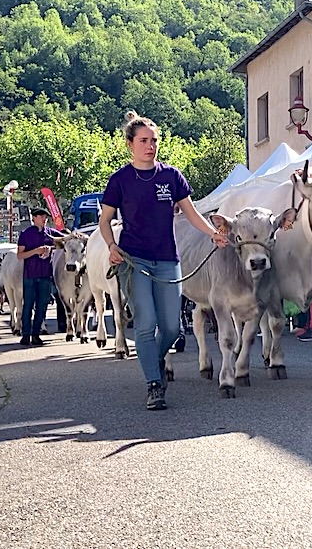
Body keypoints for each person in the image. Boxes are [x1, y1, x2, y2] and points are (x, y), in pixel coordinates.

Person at [100, 111, 228, 411]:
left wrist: (213, 235)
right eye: (144, 140)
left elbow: (191, 213)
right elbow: (105, 220)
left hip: (168, 259)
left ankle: (154, 360)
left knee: (172, 328)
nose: (150, 146)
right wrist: (110, 246)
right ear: (130, 144)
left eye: (154, 140)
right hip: (133, 261)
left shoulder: (171, 176)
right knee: (146, 325)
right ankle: (154, 384)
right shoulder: (119, 180)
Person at [16, 208, 58, 346]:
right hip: (30, 275)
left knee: (42, 306)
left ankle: (36, 334)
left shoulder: (51, 234)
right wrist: (35, 251)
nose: (44, 219)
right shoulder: (26, 234)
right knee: (28, 305)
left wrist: (51, 248)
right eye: (41, 216)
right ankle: (25, 334)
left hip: (45, 275)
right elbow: (20, 255)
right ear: (34, 218)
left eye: (45, 217)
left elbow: (63, 239)